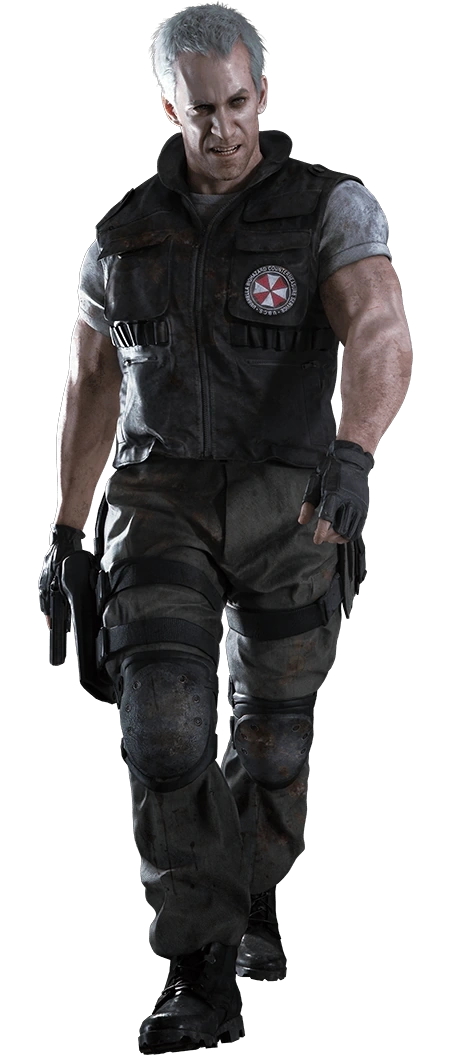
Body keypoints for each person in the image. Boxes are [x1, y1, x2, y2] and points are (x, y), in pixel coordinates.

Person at [39, 6, 412, 1052]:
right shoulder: (122, 233)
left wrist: (354, 450)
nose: (223, 127)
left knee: (272, 735)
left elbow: (378, 325)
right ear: (169, 107)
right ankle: (193, 962)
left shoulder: (327, 208)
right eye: (200, 109)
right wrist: (68, 534)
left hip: (290, 503)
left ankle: (258, 890)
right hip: (158, 500)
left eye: (239, 103)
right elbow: (91, 385)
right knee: (165, 724)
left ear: (264, 94)